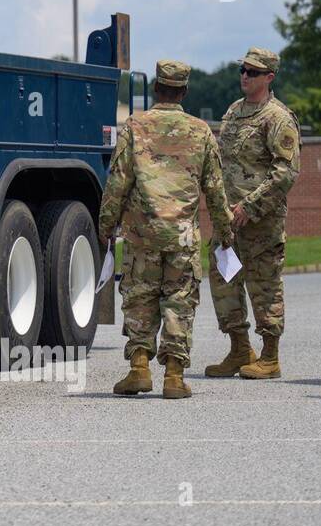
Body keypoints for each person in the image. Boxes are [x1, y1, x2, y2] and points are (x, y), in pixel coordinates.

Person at [98, 60, 234, 398]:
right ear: (184, 91)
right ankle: (174, 377)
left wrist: (106, 224)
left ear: (156, 88)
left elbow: (117, 182)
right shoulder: (200, 131)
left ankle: (139, 369)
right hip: (182, 236)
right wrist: (225, 230)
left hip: (141, 234)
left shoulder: (134, 126)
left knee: (140, 296)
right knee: (179, 299)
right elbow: (215, 188)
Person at [205, 48, 300, 379]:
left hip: (260, 222)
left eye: (252, 71)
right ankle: (240, 348)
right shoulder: (233, 112)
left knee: (264, 284)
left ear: (269, 77)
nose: (244, 76)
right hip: (229, 221)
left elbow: (286, 172)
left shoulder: (278, 118)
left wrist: (251, 205)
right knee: (224, 280)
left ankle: (270, 357)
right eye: (243, 70)